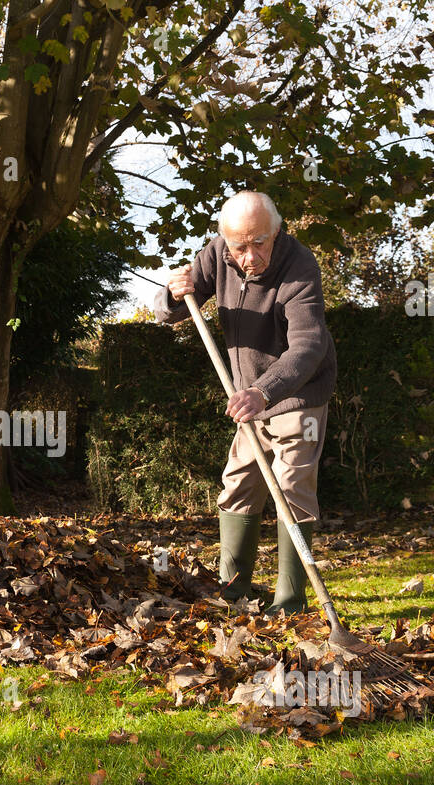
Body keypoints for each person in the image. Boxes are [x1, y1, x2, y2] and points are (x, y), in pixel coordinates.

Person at [153, 191, 336, 613]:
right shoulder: (219, 253)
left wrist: (264, 391)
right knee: (237, 485)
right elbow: (170, 312)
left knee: (291, 489)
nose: (249, 256)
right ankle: (234, 591)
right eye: (239, 246)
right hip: (248, 398)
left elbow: (308, 346)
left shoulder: (300, 266)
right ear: (224, 239)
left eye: (259, 243)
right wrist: (172, 293)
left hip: (296, 395)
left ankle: (290, 599)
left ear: (276, 232)